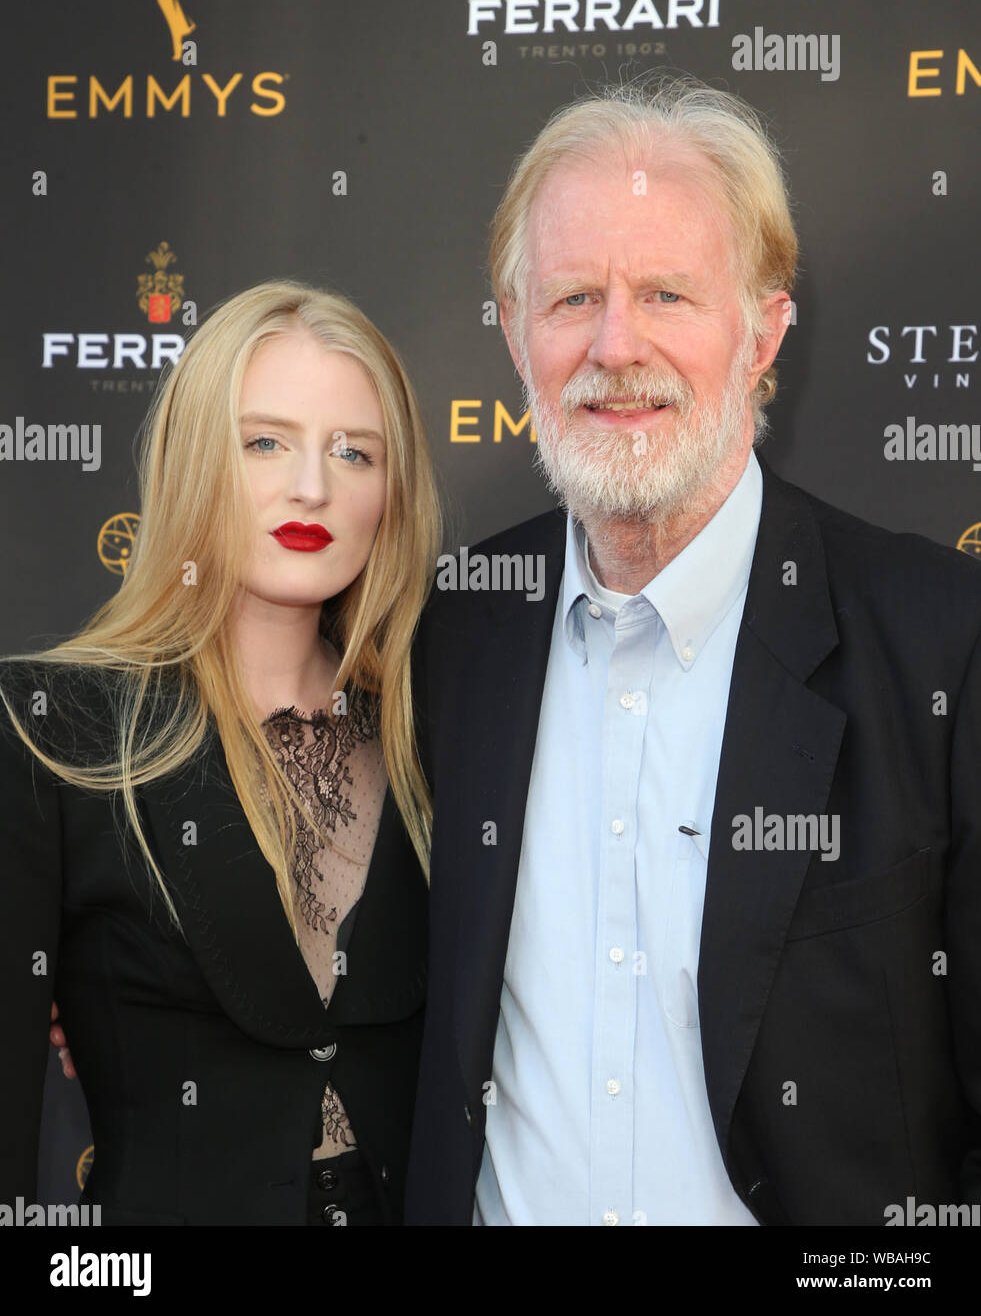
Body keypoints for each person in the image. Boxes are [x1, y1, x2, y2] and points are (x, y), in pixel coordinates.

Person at [405, 78, 981, 1226]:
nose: (616, 348)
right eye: (573, 297)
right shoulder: (444, 635)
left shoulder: (938, 641)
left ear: (764, 330)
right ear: (516, 333)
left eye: (668, 293)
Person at [0, 280, 440, 1225]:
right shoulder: (51, 728)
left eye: (353, 451)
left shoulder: (440, 724)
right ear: (193, 457)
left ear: (392, 492)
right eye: (265, 441)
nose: (311, 486)